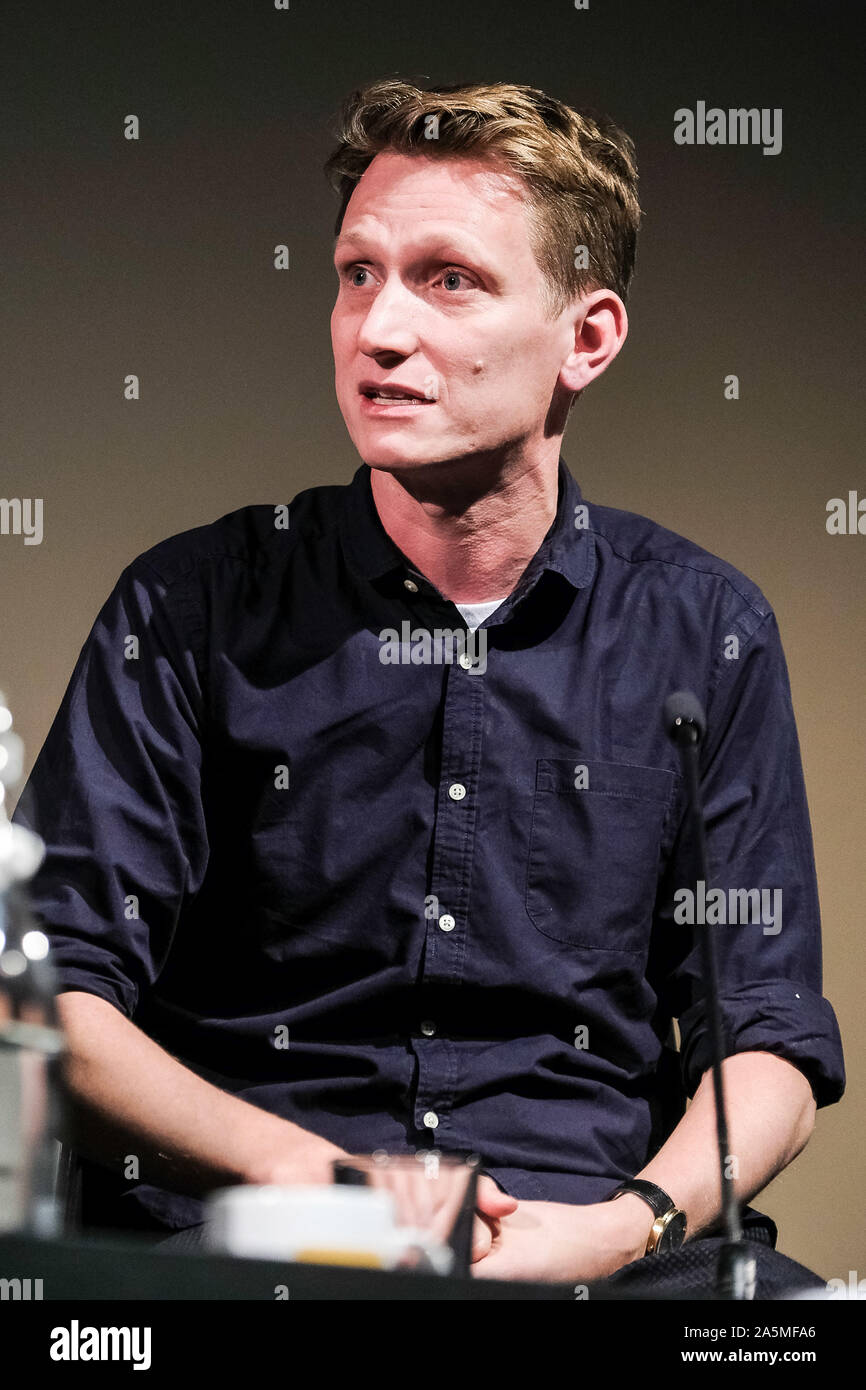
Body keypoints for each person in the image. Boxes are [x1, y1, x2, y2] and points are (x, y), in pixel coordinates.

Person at [12, 79, 844, 1291]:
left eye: (446, 278)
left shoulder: (702, 630)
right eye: (357, 273)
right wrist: (312, 1180)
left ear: (587, 337)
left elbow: (765, 1038)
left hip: (590, 1241)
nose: (376, 328)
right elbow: (47, 994)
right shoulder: (192, 607)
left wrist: (624, 1225)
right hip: (254, 1235)